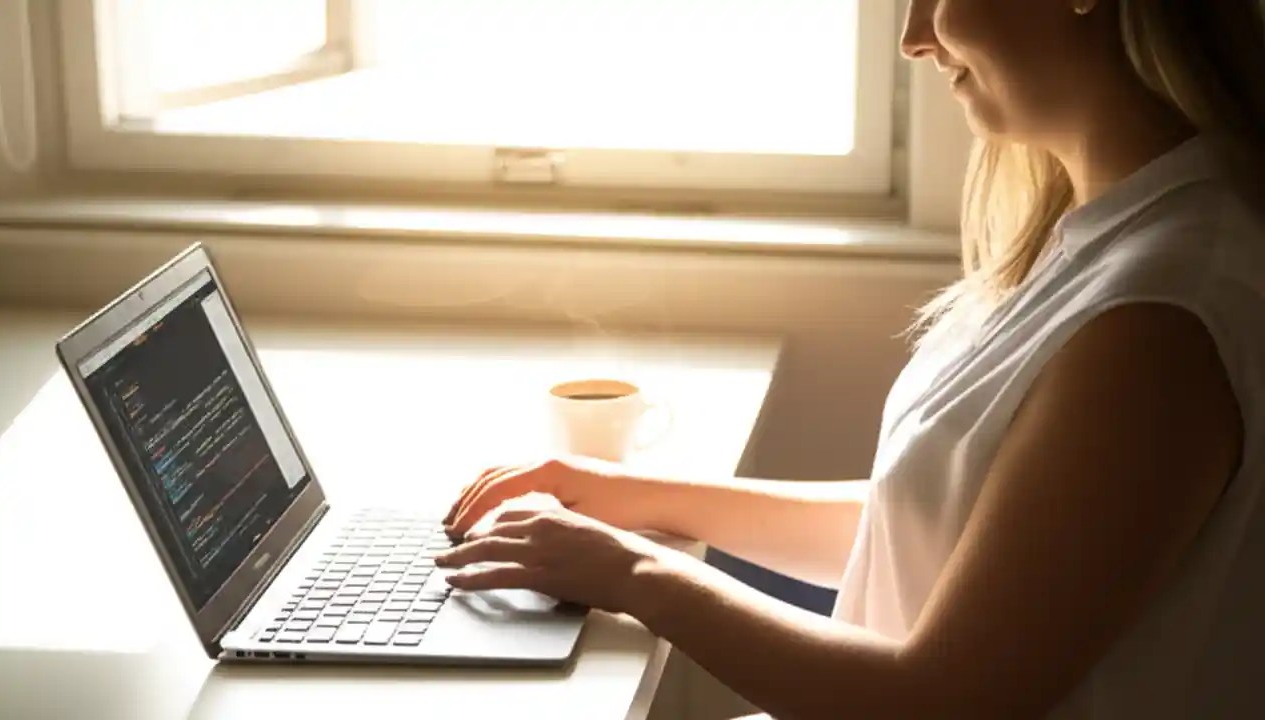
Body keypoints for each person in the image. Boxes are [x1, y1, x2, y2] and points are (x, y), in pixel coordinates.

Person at [436, 0, 1265, 716]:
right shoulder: (1118, 228)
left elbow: (938, 701)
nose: (914, 37)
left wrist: (634, 572)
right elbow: (950, 531)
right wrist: (636, 498)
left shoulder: (1161, 317)